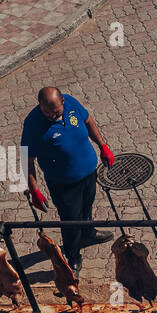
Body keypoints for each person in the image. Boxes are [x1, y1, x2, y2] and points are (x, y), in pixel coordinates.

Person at [21, 86, 116, 270]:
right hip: (63, 183)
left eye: (55, 111)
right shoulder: (33, 124)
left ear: (62, 101)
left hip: (89, 172)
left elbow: (88, 122)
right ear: (39, 106)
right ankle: (72, 256)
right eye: (46, 111)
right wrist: (34, 190)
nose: (51, 115)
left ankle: (88, 233)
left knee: (87, 205)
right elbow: (27, 160)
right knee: (71, 221)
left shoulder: (71, 103)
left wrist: (103, 145)